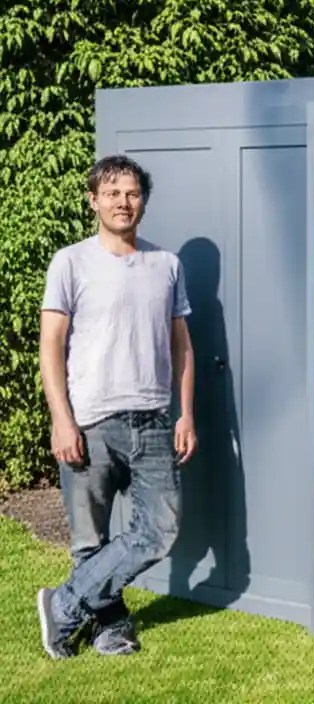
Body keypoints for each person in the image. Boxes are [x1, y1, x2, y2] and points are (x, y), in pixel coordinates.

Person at [34, 154, 197, 659]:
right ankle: (110, 629)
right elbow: (50, 345)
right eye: (112, 193)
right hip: (91, 420)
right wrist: (62, 419)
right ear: (93, 201)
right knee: (91, 538)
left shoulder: (166, 264)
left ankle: (63, 604)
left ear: (142, 201)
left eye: (131, 193)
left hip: (152, 419)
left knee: (160, 530)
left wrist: (186, 413)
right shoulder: (71, 261)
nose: (122, 202)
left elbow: (182, 346)